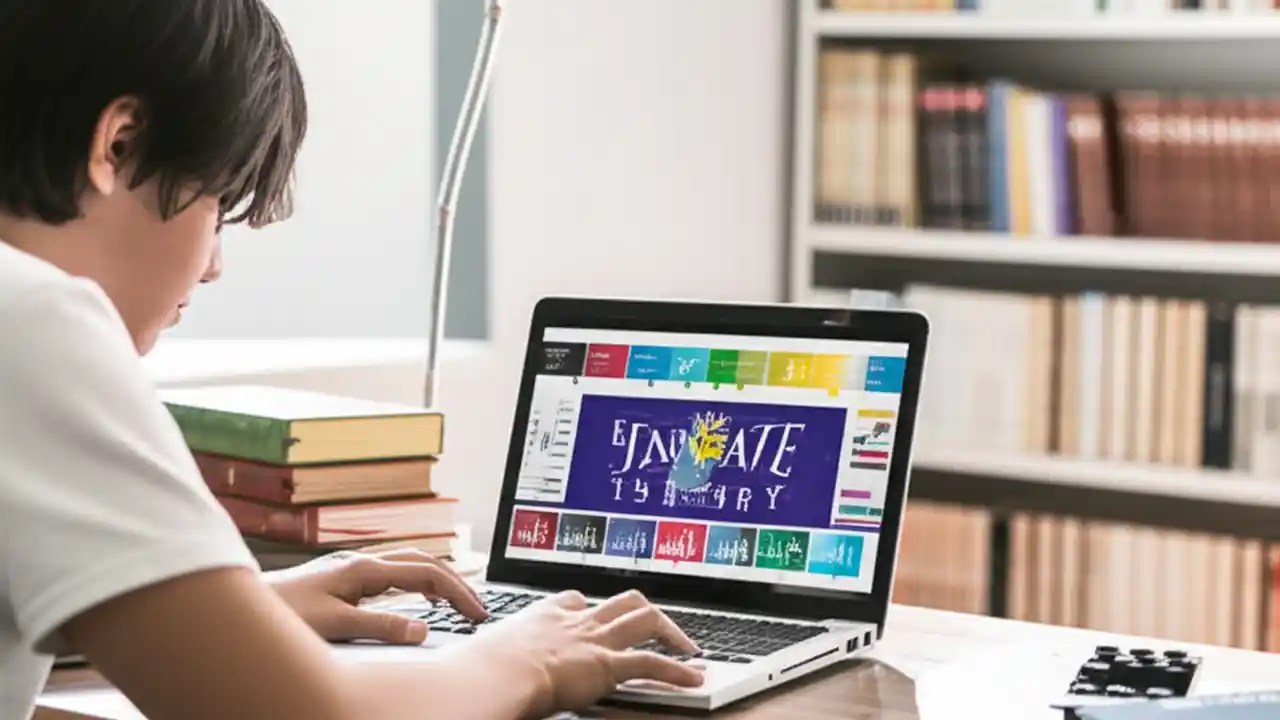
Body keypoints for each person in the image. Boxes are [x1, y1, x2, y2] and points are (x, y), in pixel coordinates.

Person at [0, 1, 703, 718]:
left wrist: (240, 615)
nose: (213, 266)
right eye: (218, 205)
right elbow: (308, 713)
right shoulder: (34, 324)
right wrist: (529, 658)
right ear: (119, 145)